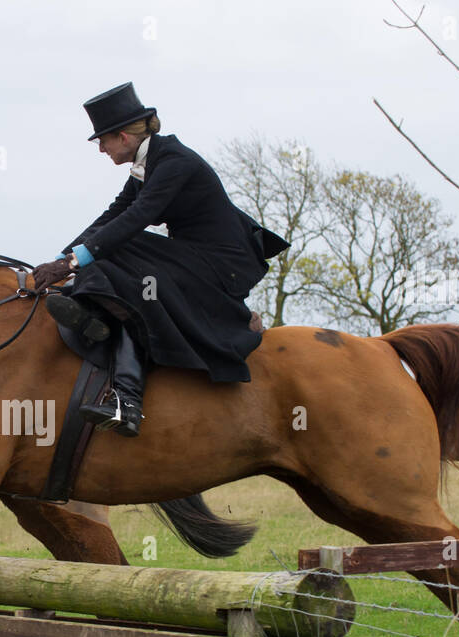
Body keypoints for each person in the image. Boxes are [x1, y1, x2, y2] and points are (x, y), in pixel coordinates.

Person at [32, 83, 289, 437]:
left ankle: (125, 392)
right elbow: (112, 215)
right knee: (110, 255)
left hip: (218, 267)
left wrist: (70, 266)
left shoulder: (174, 161)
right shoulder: (148, 163)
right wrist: (61, 258)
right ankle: (99, 325)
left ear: (123, 137)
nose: (102, 150)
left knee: (121, 247)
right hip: (194, 258)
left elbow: (135, 219)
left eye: (102, 142)